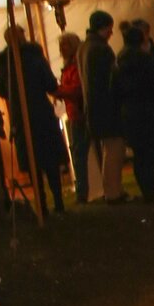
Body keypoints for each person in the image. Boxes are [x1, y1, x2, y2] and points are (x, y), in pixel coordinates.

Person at [0, 24, 66, 213]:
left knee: (34, 161)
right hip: (40, 112)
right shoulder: (34, 58)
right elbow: (49, 83)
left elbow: (2, 90)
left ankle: (42, 204)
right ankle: (58, 202)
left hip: (20, 115)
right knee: (50, 160)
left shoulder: (3, 63)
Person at [111, 19, 154, 200]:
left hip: (129, 111)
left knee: (139, 153)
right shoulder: (144, 59)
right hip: (146, 109)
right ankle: (153, 189)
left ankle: (146, 189)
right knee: (150, 151)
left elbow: (115, 87)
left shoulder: (120, 60)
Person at [80, 10, 126, 202]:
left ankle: (111, 190)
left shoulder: (84, 47)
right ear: (103, 27)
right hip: (107, 108)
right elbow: (111, 81)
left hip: (93, 108)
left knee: (109, 150)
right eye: (109, 28)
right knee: (114, 149)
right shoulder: (101, 49)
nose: (111, 33)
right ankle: (114, 192)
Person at [56, 31, 90, 203]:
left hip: (79, 113)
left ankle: (83, 192)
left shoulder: (75, 66)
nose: (61, 49)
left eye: (65, 45)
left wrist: (58, 91)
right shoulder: (70, 65)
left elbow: (76, 90)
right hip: (74, 112)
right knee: (78, 152)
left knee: (79, 153)